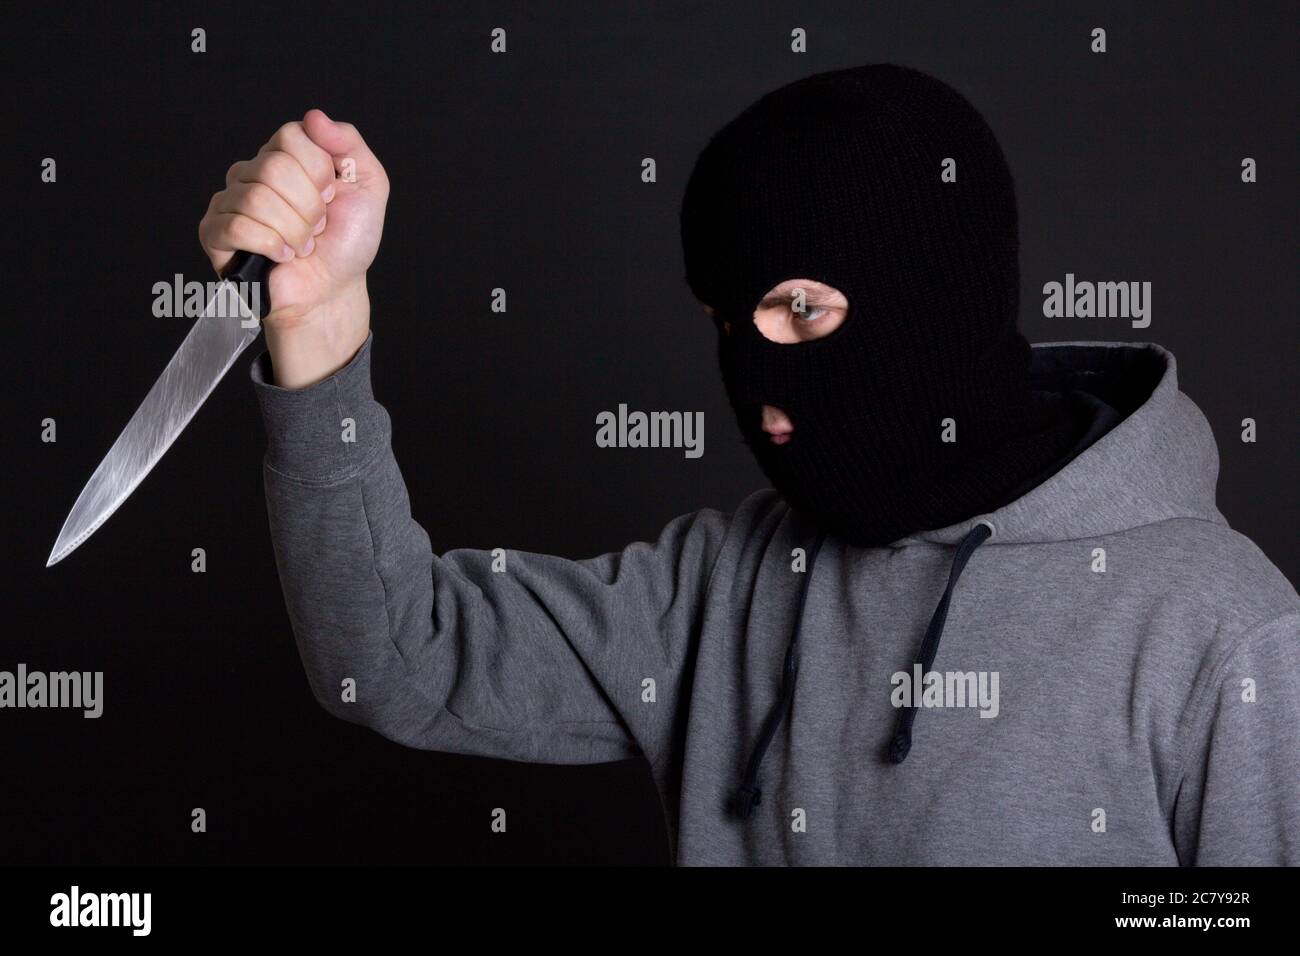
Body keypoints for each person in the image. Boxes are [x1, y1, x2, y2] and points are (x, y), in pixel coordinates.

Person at [198, 64, 1299, 865]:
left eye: (800, 308)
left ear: (938, 297)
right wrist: (322, 326)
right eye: (727, 316)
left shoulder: (1220, 631)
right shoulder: (721, 585)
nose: (755, 374)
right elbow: (392, 655)